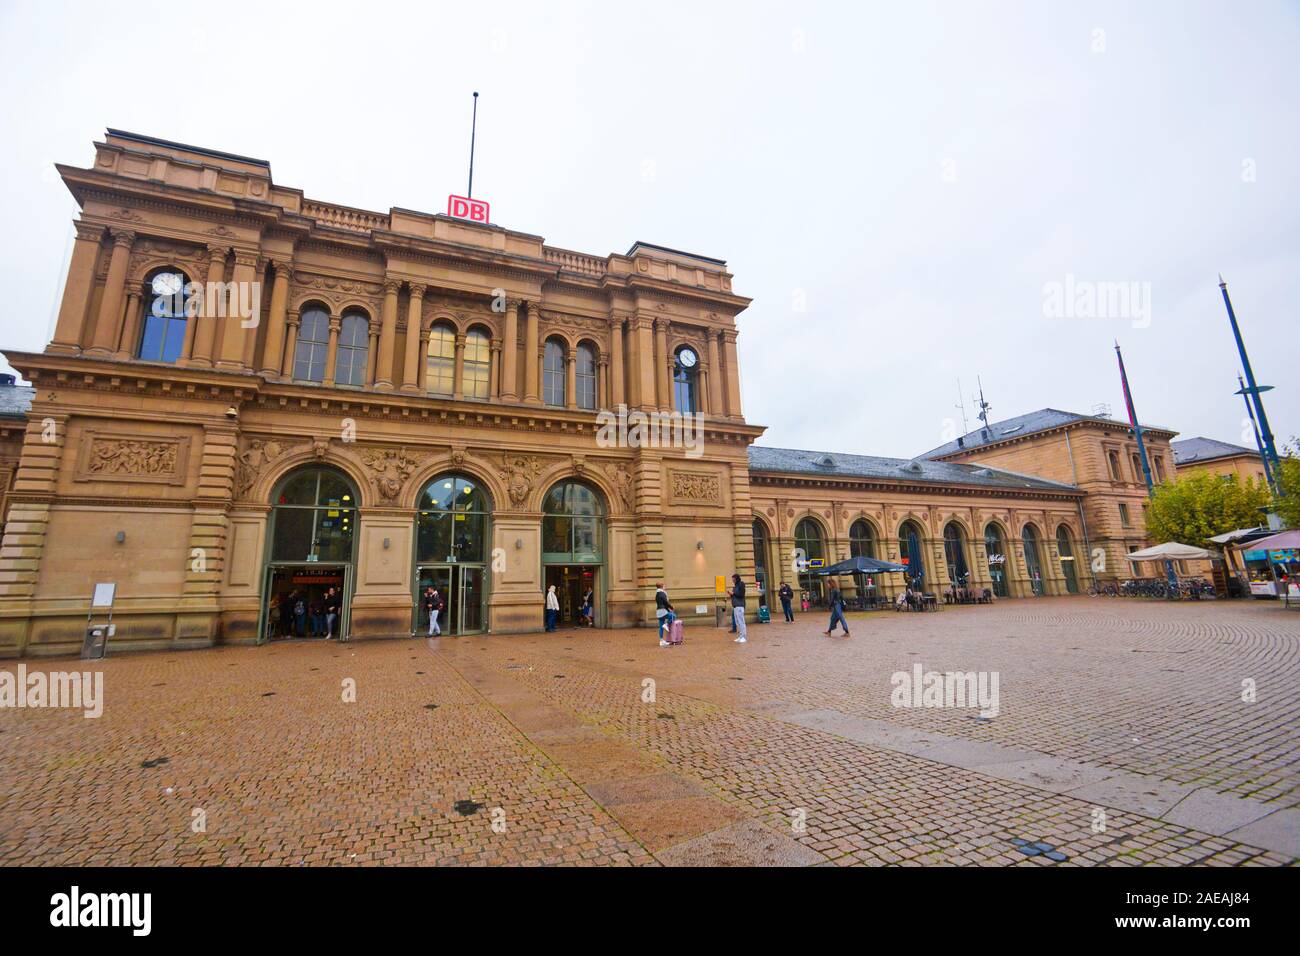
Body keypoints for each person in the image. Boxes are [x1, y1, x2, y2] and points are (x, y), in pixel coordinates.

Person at [727, 573, 747, 643]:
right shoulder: (735, 586)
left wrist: (733, 594)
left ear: (736, 578)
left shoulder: (741, 584)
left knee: (741, 622)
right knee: (737, 622)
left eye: (733, 579)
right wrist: (731, 594)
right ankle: (740, 636)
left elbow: (741, 595)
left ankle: (744, 637)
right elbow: (735, 596)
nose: (732, 580)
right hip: (735, 606)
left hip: (740, 605)